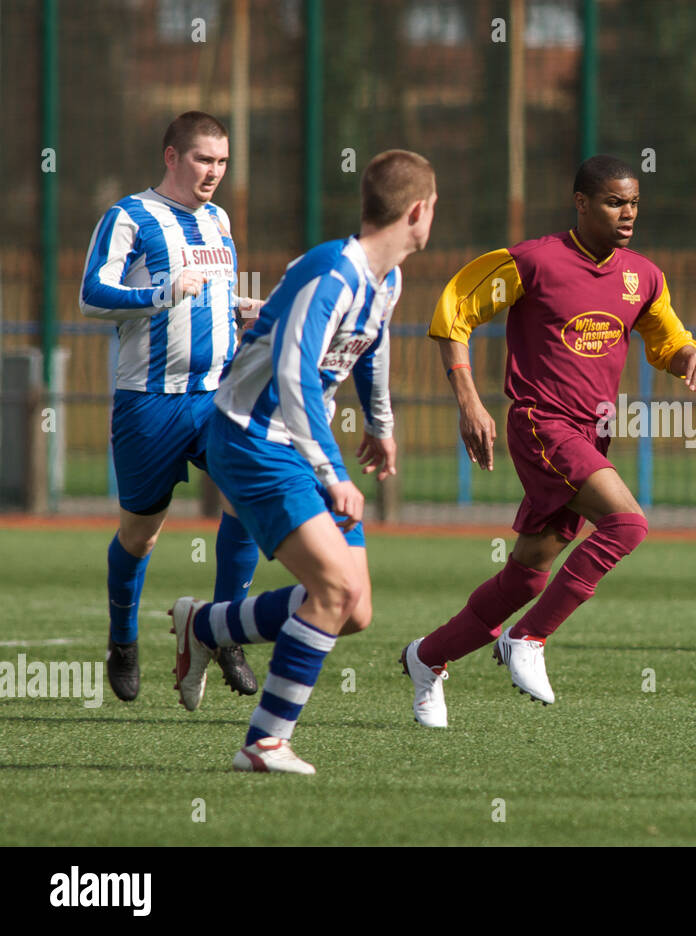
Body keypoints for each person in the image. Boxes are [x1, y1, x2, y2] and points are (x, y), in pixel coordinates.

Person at [401, 154, 696, 726]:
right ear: (582, 203)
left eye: (634, 203)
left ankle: (427, 658)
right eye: (615, 202)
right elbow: (455, 312)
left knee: (526, 574)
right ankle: (530, 638)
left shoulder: (641, 275)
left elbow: (665, 335)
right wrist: (469, 402)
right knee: (628, 524)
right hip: (542, 424)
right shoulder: (534, 261)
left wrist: (688, 354)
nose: (628, 214)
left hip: (591, 437)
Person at [168, 149, 436, 773]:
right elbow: (292, 371)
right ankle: (263, 742)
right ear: (419, 211)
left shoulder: (385, 279)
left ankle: (206, 627)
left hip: (297, 443)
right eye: (434, 210)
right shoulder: (330, 272)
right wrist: (334, 473)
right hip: (253, 441)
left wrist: (381, 425)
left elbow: (371, 347)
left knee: (355, 610)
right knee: (336, 589)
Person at [80, 111, 262, 702]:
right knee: (142, 535)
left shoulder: (218, 220)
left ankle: (223, 629)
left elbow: (209, 294)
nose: (214, 172)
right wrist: (158, 294)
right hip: (149, 403)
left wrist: (238, 309)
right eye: (204, 159)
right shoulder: (130, 215)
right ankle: (123, 639)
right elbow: (91, 294)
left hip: (216, 395)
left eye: (223, 161)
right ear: (172, 157)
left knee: (250, 498)